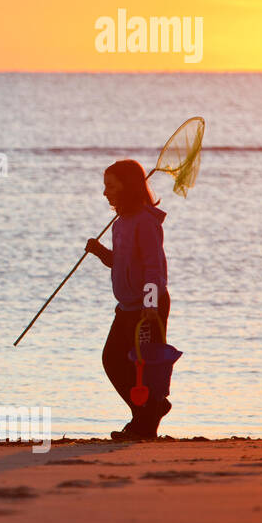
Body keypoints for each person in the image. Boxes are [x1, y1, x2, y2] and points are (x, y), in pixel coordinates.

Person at [85, 159, 172, 440]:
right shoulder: (121, 222)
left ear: (128, 186)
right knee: (113, 360)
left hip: (148, 306)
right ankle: (148, 412)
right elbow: (122, 263)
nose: (105, 192)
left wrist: (149, 305)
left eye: (110, 185)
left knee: (142, 367)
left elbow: (153, 268)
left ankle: (145, 422)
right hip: (127, 306)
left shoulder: (146, 222)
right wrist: (99, 252)